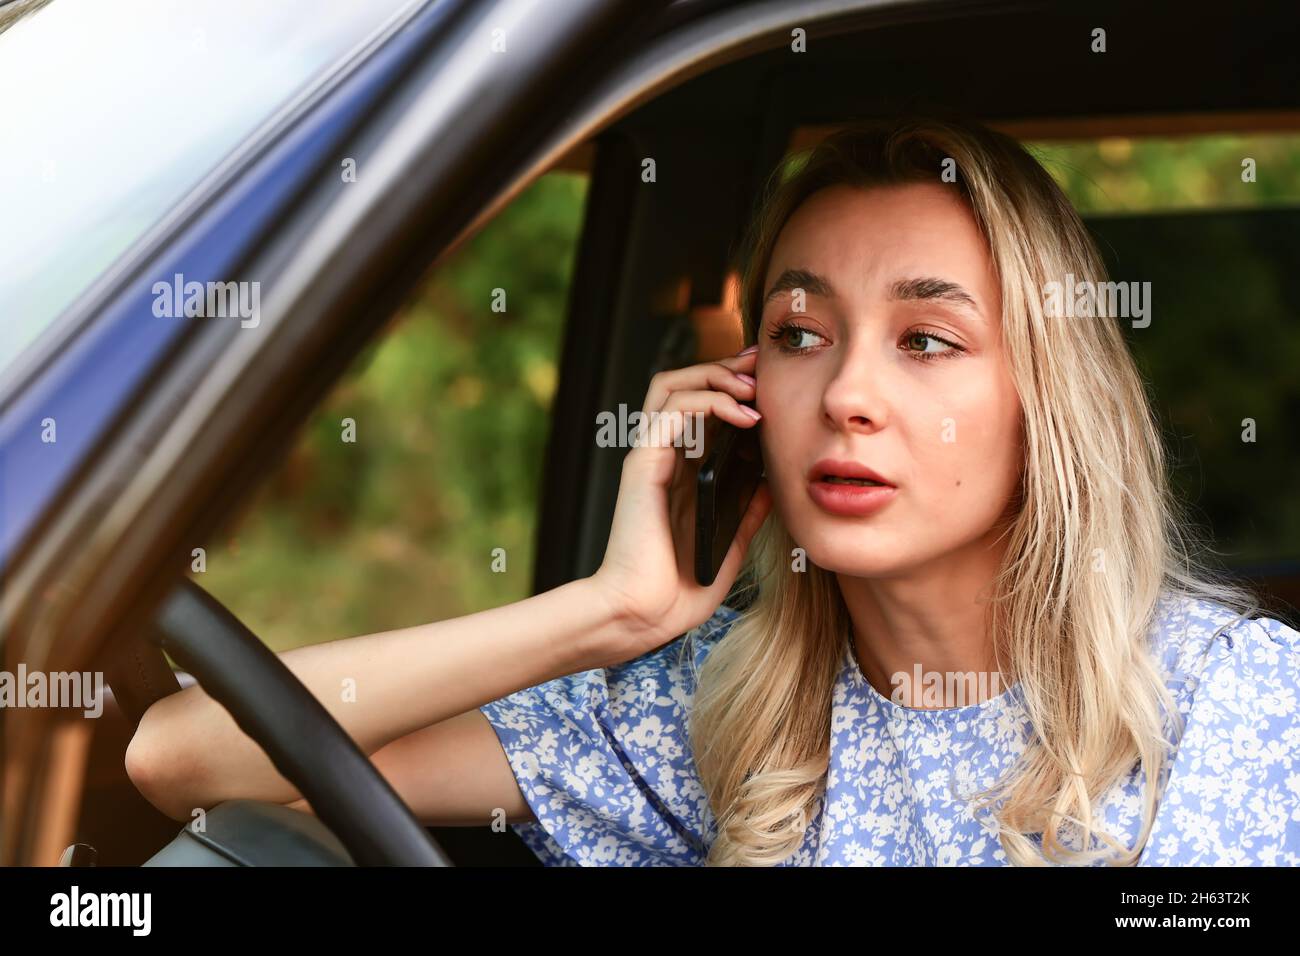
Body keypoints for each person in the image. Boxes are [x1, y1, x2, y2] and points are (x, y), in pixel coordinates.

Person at [126, 116, 1300, 867]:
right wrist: (609, 613)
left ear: (1049, 398)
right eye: (798, 333)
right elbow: (183, 757)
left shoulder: (1228, 704)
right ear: (742, 394)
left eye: (926, 339)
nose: (846, 392)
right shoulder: (718, 710)